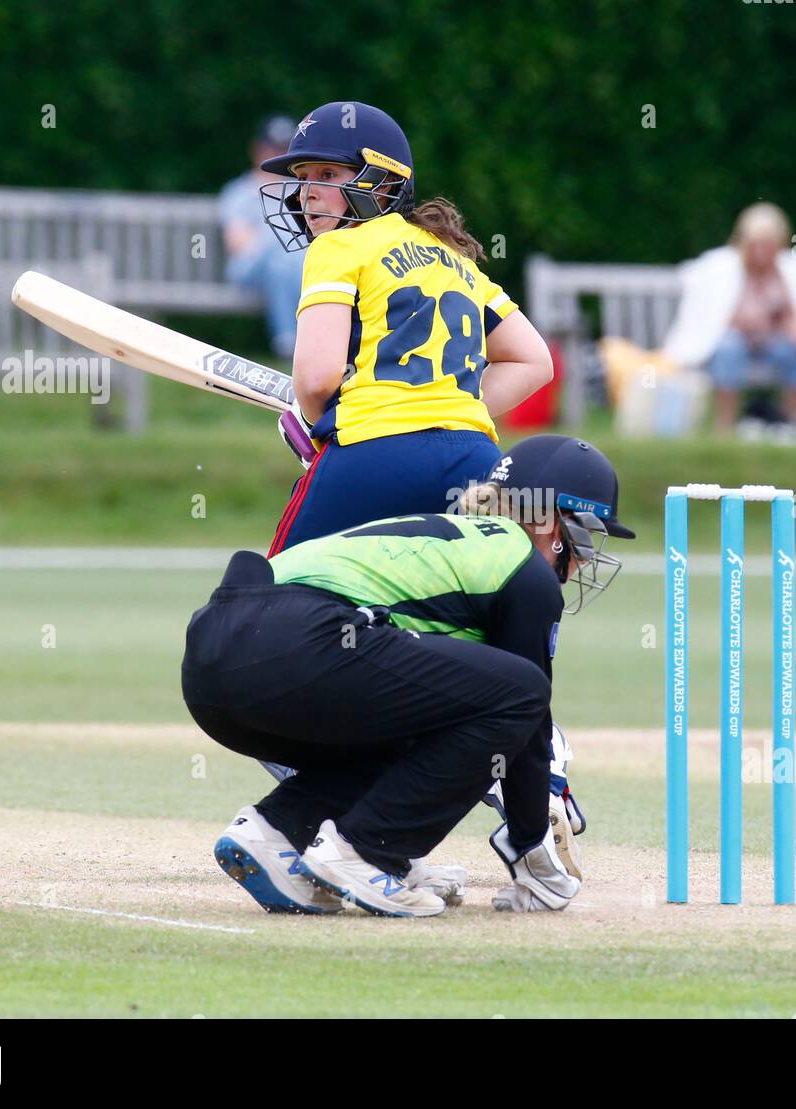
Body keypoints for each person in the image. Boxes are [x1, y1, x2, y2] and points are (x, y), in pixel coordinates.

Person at [182, 435, 635, 917]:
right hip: (298, 641)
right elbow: (528, 718)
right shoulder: (521, 567)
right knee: (520, 692)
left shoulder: (450, 539)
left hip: (212, 663)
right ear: (548, 520)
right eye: (587, 534)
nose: (586, 557)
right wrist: (532, 850)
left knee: (435, 711)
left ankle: (275, 832)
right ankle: (366, 852)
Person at [256, 101, 553, 554]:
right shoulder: (455, 257)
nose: (306, 192)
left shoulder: (337, 246)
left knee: (272, 601)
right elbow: (534, 360)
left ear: (384, 182)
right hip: (475, 461)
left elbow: (316, 379)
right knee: (442, 608)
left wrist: (318, 425)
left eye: (328, 176)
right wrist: (440, 405)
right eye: (302, 177)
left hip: (373, 455)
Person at [663, 202, 796, 433]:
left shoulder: (791, 272)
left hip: (773, 341)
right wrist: (749, 323)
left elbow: (793, 315)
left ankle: (792, 421)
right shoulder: (722, 268)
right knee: (728, 346)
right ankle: (724, 424)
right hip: (735, 338)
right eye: (757, 245)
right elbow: (712, 317)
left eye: (769, 245)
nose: (762, 252)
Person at [218, 116, 307, 361]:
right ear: (257, 150)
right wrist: (276, 239)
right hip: (250, 266)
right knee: (280, 252)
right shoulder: (239, 191)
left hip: (290, 265)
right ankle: (301, 342)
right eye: (272, 148)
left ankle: (287, 341)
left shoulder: (298, 190)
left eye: (283, 149)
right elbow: (238, 243)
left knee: (283, 261)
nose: (276, 155)